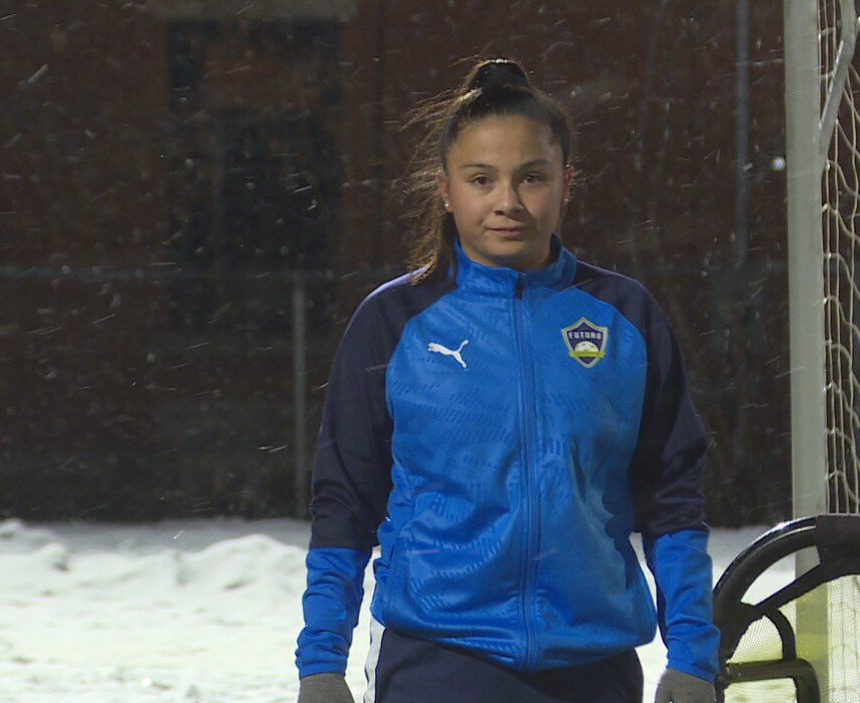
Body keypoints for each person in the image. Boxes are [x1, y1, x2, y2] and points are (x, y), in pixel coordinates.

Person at [294, 58, 720, 703]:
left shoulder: (626, 318)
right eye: (481, 179)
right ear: (446, 190)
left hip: (593, 666)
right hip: (435, 663)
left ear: (566, 183)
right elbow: (344, 506)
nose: (508, 202)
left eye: (532, 177)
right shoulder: (393, 321)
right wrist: (321, 663)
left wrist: (692, 657)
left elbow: (673, 501)